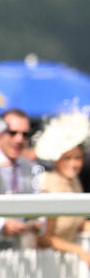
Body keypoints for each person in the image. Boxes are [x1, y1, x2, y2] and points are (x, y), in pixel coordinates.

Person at [0, 108, 42, 251]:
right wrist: (0, 223)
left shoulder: (29, 166)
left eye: (25, 134)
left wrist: (37, 222)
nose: (19, 139)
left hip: (18, 251)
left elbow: (37, 203)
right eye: (12, 133)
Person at [33, 112, 90, 266]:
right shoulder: (49, 184)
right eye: (68, 158)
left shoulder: (74, 182)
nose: (74, 164)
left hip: (65, 264)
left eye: (77, 158)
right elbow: (44, 237)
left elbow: (77, 223)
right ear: (57, 160)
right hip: (43, 263)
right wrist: (78, 251)